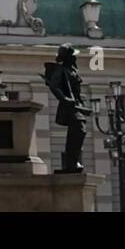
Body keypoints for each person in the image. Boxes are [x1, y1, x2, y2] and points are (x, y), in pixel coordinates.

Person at [44, 43, 91, 173]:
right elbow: (54, 86)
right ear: (68, 57)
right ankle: (72, 162)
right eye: (73, 56)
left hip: (76, 105)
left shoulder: (73, 70)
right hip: (69, 107)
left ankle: (73, 162)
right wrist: (64, 99)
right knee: (78, 130)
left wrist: (81, 101)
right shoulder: (61, 70)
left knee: (79, 132)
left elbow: (76, 89)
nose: (75, 58)